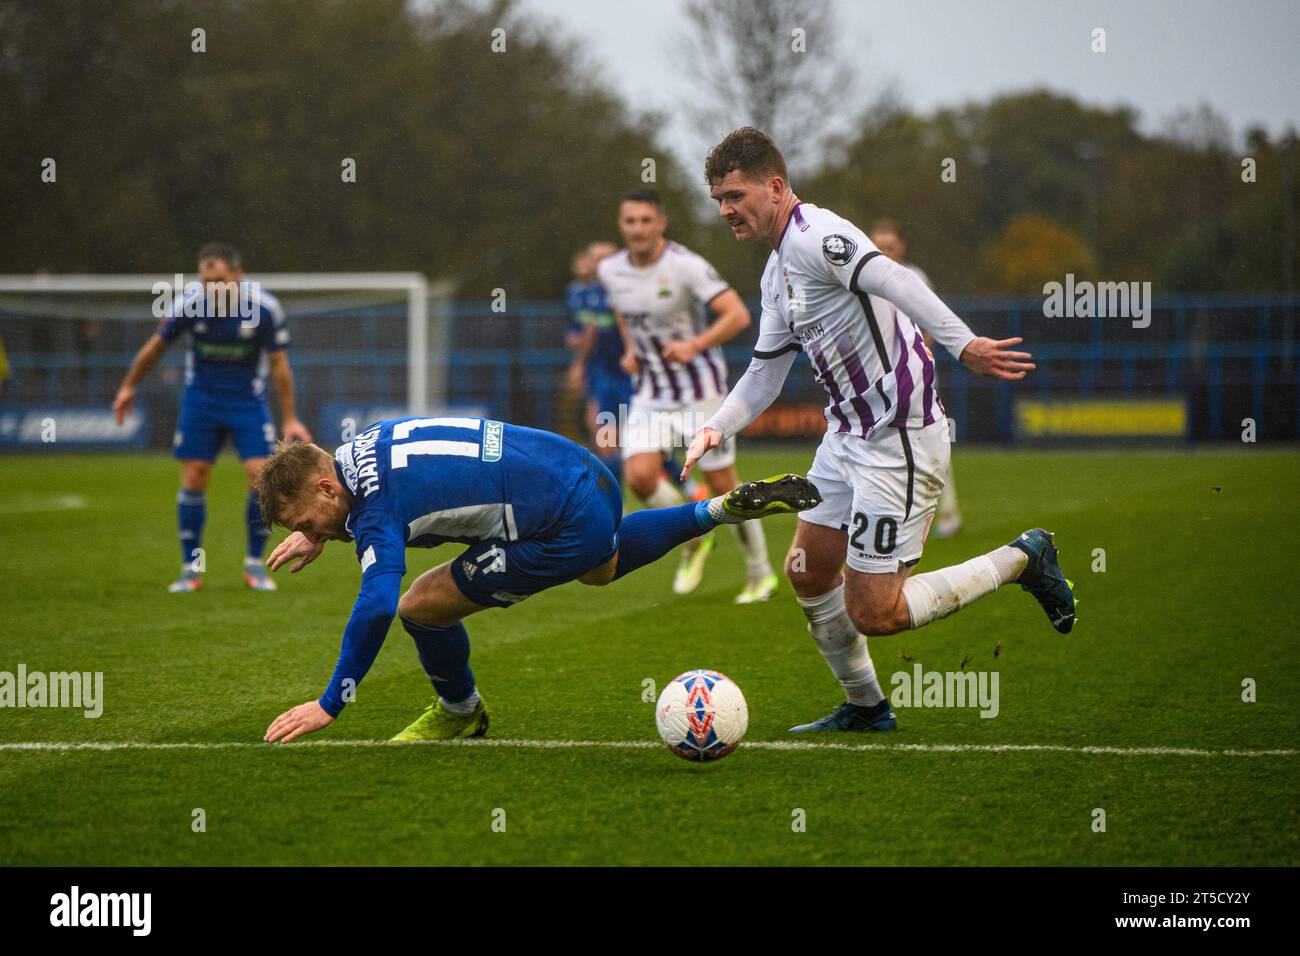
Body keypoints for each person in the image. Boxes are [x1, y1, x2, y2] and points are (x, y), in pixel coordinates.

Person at [683, 128, 1076, 733]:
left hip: (899, 438)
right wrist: (715, 428)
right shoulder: (775, 272)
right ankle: (867, 707)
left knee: (877, 611)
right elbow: (765, 373)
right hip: (845, 439)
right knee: (807, 572)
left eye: (735, 194)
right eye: (717, 199)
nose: (726, 210)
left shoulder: (818, 236)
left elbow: (896, 280)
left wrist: (964, 343)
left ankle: (1023, 559)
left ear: (776, 186)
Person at [256, 416, 820, 743]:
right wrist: (321, 530)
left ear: (328, 489)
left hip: (560, 521)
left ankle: (460, 711)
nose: (315, 534)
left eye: (308, 522)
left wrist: (333, 702)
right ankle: (718, 509)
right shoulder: (356, 451)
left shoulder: (374, 513)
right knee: (601, 567)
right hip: (581, 470)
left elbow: (374, 605)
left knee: (418, 606)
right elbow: (363, 499)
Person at [599, 188, 778, 603]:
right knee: (640, 477)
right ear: (622, 225)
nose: (639, 229)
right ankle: (694, 535)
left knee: (724, 486)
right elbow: (625, 315)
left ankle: (760, 573)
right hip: (651, 394)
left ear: (661, 223)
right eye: (631, 221)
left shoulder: (686, 266)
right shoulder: (611, 270)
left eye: (647, 220)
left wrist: (694, 346)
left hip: (702, 394)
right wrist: (630, 349)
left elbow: (737, 314)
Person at [112, 242, 312, 592]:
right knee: (194, 475)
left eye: (219, 279)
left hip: (246, 402)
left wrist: (290, 418)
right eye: (206, 281)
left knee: (260, 478)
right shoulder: (189, 305)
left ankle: (255, 565)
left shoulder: (264, 309)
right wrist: (128, 386)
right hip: (201, 401)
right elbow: (156, 348)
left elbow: (280, 366)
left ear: (238, 275)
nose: (212, 288)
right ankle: (192, 568)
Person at [867, 218, 962, 538]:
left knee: (929, 441)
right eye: (879, 247)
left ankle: (946, 510)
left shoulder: (913, 277)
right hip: (877, 380)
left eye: (890, 247)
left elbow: (931, 323)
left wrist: (922, 361)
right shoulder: (864, 279)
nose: (885, 253)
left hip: (914, 375)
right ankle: (888, 514)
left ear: (901, 248)